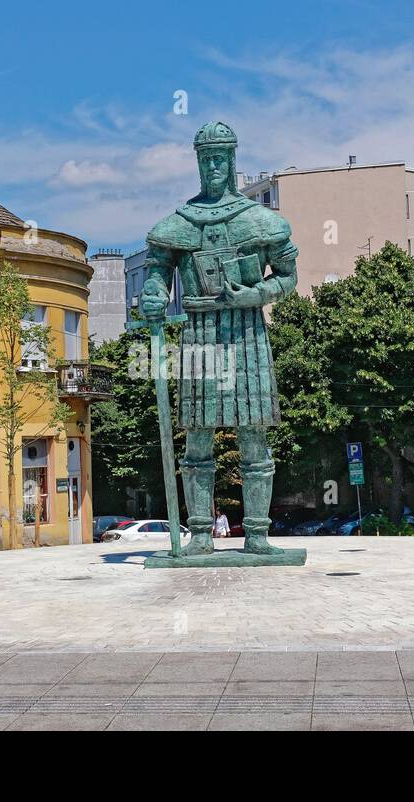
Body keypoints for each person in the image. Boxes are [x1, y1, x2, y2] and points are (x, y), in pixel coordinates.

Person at [141, 121, 298, 556]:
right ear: (198, 163)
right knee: (197, 437)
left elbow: (288, 278)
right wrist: (153, 297)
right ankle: (201, 534)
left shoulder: (260, 221)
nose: (213, 166)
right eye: (206, 159)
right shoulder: (180, 223)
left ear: (232, 161)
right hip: (200, 334)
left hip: (247, 331)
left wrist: (255, 293)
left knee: (254, 436)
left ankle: (258, 535)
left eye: (220, 159)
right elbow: (156, 275)